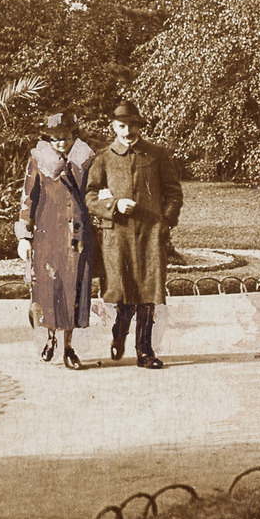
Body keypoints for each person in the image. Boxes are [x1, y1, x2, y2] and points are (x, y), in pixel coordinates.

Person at [84, 106, 184, 368]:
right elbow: (91, 196)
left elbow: (174, 193)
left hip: (150, 234)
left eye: (131, 126)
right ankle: (120, 331)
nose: (127, 132)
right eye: (121, 126)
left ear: (139, 126)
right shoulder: (104, 158)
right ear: (113, 127)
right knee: (123, 291)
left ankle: (144, 350)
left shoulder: (157, 154)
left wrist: (165, 223)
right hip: (117, 235)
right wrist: (114, 205)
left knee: (149, 291)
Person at [14, 108, 97, 370]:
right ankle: (50, 339)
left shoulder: (87, 160)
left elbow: (95, 193)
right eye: (55, 138)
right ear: (48, 139)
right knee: (49, 288)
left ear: (74, 136)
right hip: (48, 233)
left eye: (66, 137)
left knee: (74, 289)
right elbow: (28, 198)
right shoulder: (38, 160)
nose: (61, 142)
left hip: (77, 233)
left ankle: (69, 347)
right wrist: (24, 237)